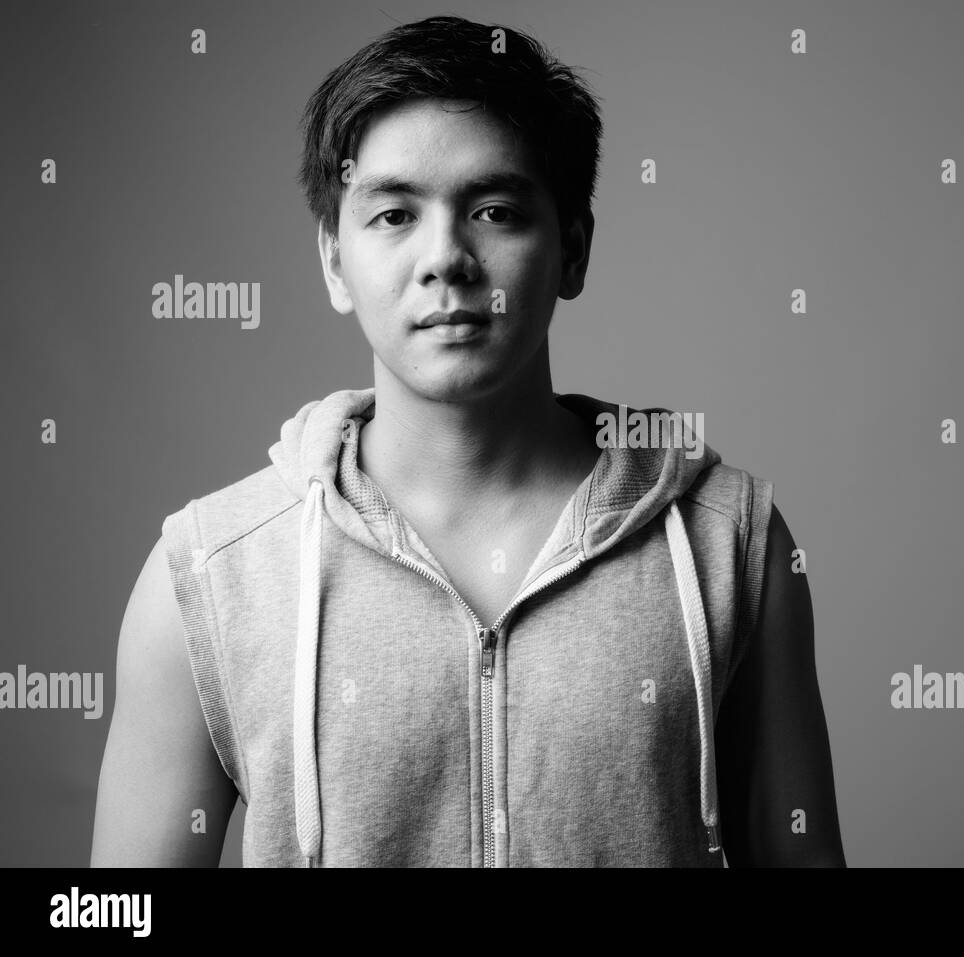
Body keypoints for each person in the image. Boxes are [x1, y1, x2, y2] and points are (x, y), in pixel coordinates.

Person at [90, 14, 845, 867]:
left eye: (493, 210)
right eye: (393, 215)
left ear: (574, 248)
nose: (445, 257)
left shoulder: (729, 543)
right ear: (334, 260)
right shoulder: (210, 573)